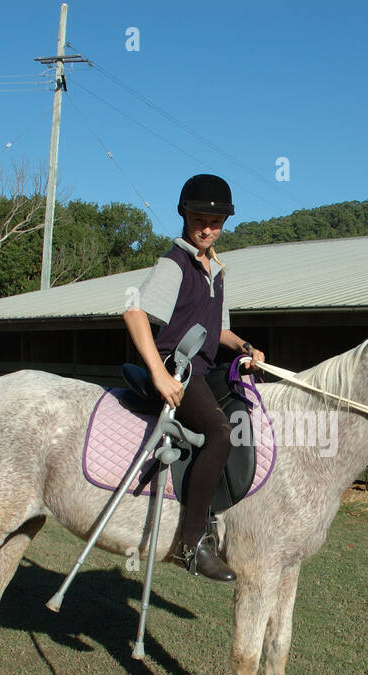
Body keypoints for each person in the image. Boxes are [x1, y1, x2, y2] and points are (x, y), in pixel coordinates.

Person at [122, 174, 265, 583]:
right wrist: (159, 373)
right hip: (178, 367)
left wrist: (245, 347)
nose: (208, 228)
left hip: (205, 367)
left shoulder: (216, 271)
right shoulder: (175, 263)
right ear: (185, 216)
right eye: (201, 218)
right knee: (221, 434)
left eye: (216, 222)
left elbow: (218, 330)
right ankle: (192, 542)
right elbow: (135, 313)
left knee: (248, 405)